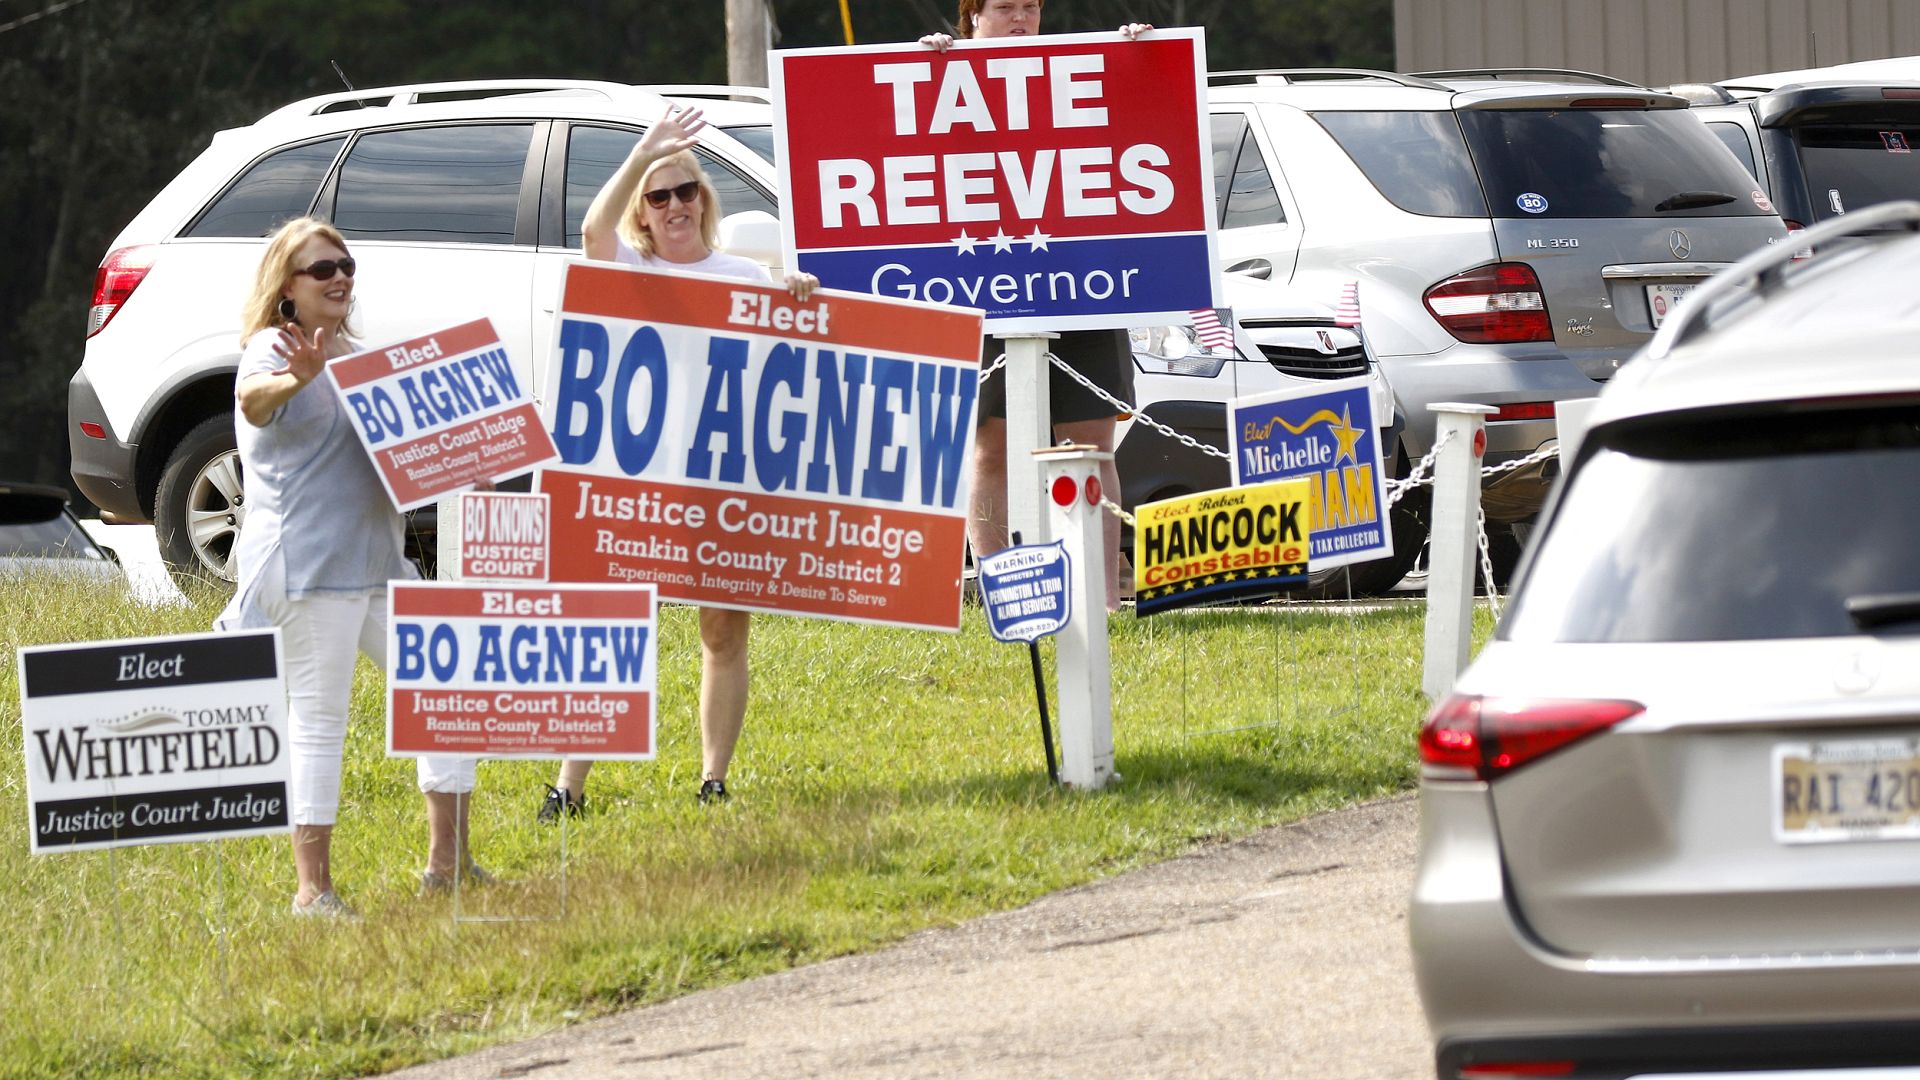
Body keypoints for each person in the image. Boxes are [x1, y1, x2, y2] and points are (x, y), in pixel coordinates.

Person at [539, 106, 819, 820]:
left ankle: (713, 780)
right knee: (610, 623)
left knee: (722, 632)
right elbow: (592, 232)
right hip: (638, 477)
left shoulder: (743, 274)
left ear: (704, 201)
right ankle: (569, 788)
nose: (674, 207)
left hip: (722, 479)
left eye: (685, 191)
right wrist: (645, 151)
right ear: (644, 211)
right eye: (658, 197)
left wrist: (800, 296)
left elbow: (803, 355)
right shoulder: (630, 269)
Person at [218, 217, 484, 916]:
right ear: (287, 287)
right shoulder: (268, 352)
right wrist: (292, 378)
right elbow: (253, 401)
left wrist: (470, 463)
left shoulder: (366, 359)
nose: (339, 277)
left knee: (447, 695)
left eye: (345, 264)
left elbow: (413, 456)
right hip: (309, 570)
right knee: (319, 720)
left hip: (382, 567)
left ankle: (448, 866)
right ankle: (314, 891)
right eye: (320, 268)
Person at [923, 2, 1153, 611]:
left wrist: (1142, 57)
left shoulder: (1077, 69)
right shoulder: (941, 74)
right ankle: (1006, 596)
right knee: (991, 448)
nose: (1021, 18)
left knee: (1090, 449)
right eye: (1005, 7)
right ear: (972, 15)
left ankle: (1102, 604)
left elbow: (1142, 124)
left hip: (1082, 286)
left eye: (1031, 7)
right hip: (984, 293)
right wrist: (923, 68)